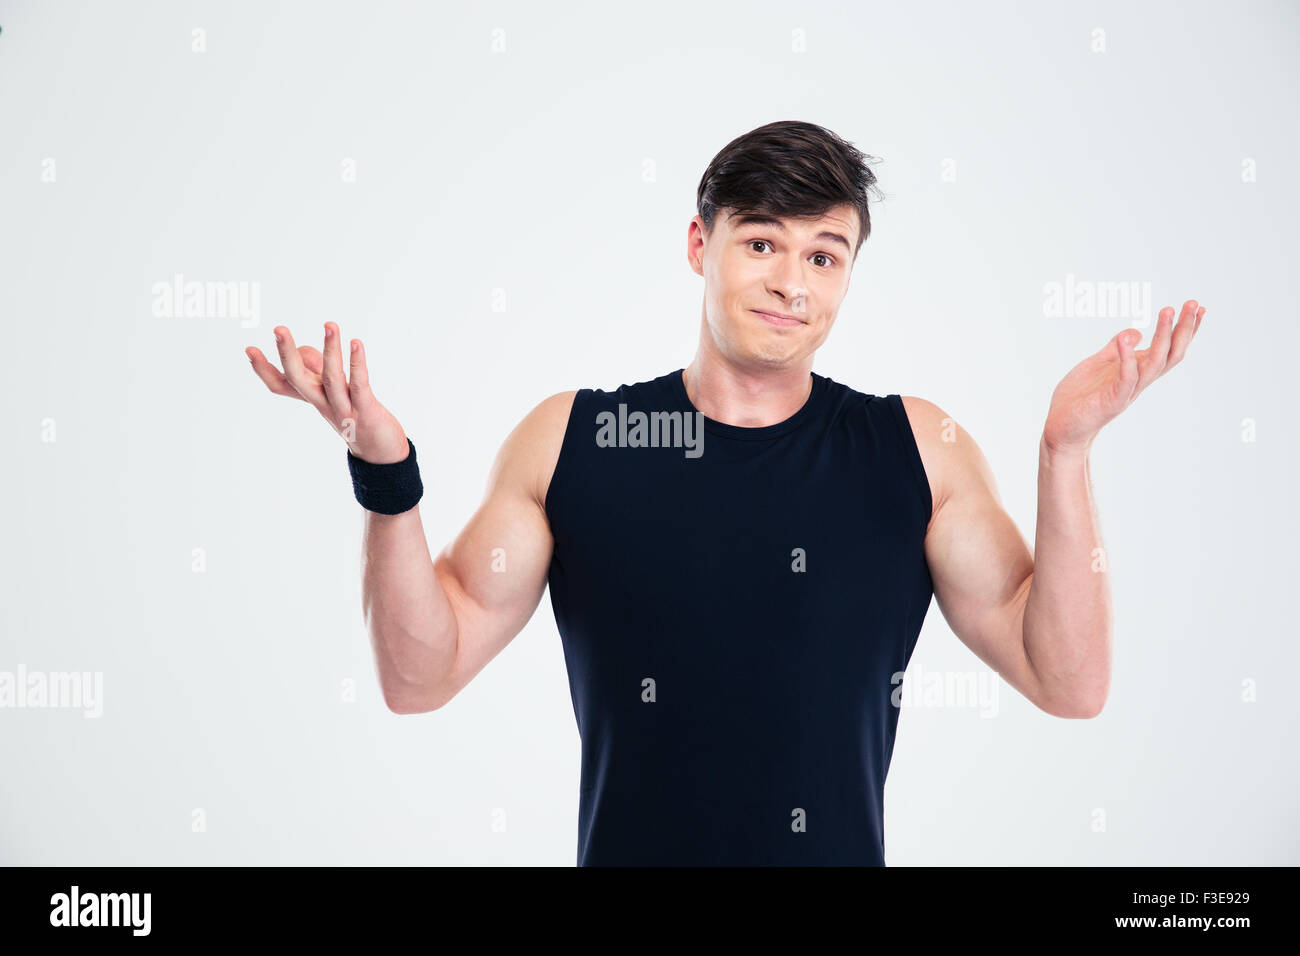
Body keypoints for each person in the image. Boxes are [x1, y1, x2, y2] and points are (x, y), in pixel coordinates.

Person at [245, 120, 1205, 866]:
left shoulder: (916, 449)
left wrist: (1065, 452)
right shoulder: (575, 440)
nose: (793, 282)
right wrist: (387, 476)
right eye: (762, 244)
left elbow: (1070, 682)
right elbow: (420, 675)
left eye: (824, 256)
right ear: (700, 245)